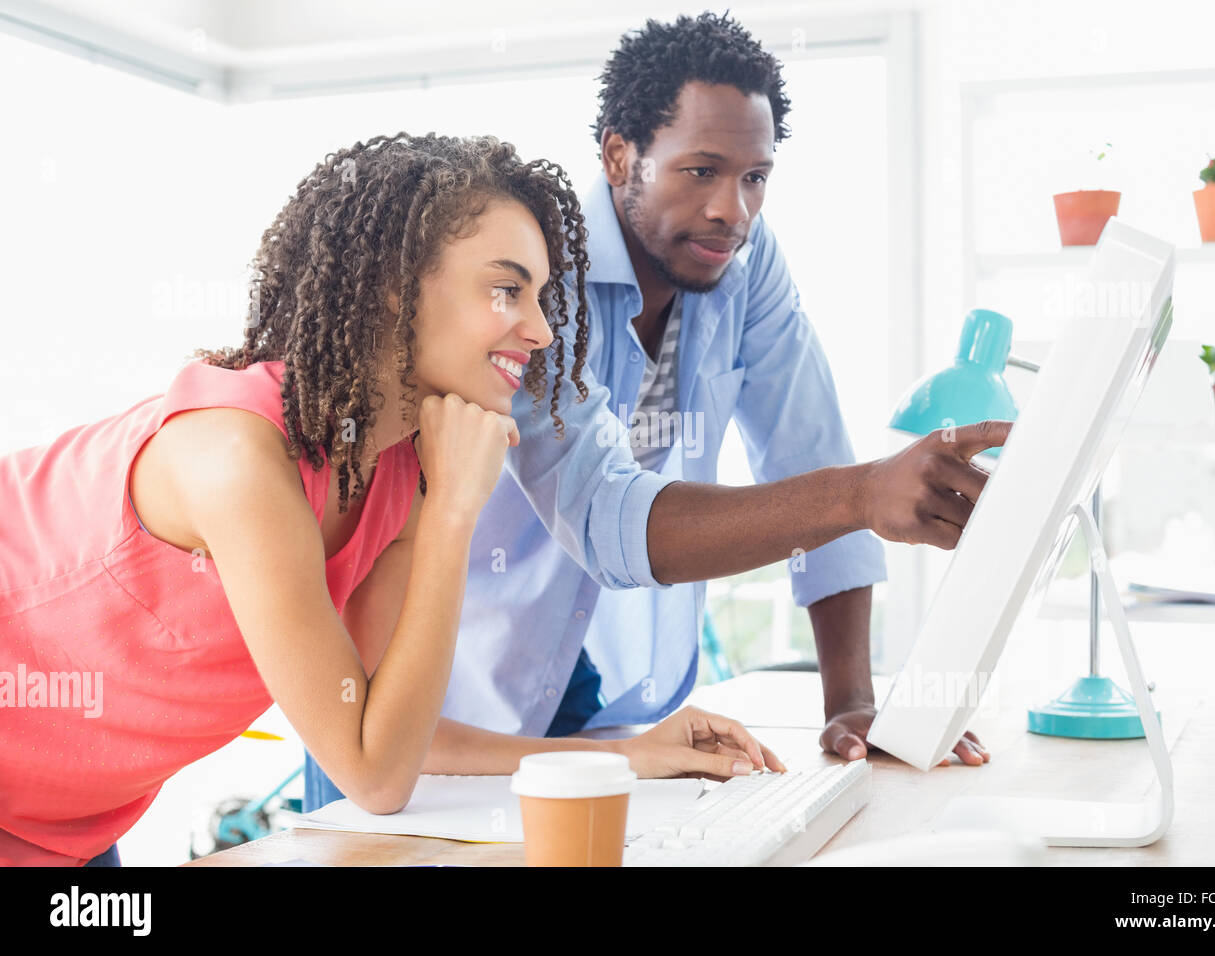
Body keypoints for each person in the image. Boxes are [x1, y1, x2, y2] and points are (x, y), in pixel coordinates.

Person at [0, 132, 783, 867]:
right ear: (390, 292)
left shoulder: (395, 469)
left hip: (69, 821)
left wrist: (628, 755)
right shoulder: (237, 460)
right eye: (507, 290)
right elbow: (372, 775)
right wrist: (453, 513)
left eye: (541, 296)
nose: (542, 331)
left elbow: (399, 743)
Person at [300, 15, 1009, 811]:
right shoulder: (537, 270)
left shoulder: (745, 262)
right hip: (432, 699)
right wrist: (861, 495)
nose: (732, 211)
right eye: (701, 171)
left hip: (588, 690)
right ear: (618, 156)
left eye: (755, 177)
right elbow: (608, 516)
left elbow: (808, 452)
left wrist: (849, 701)